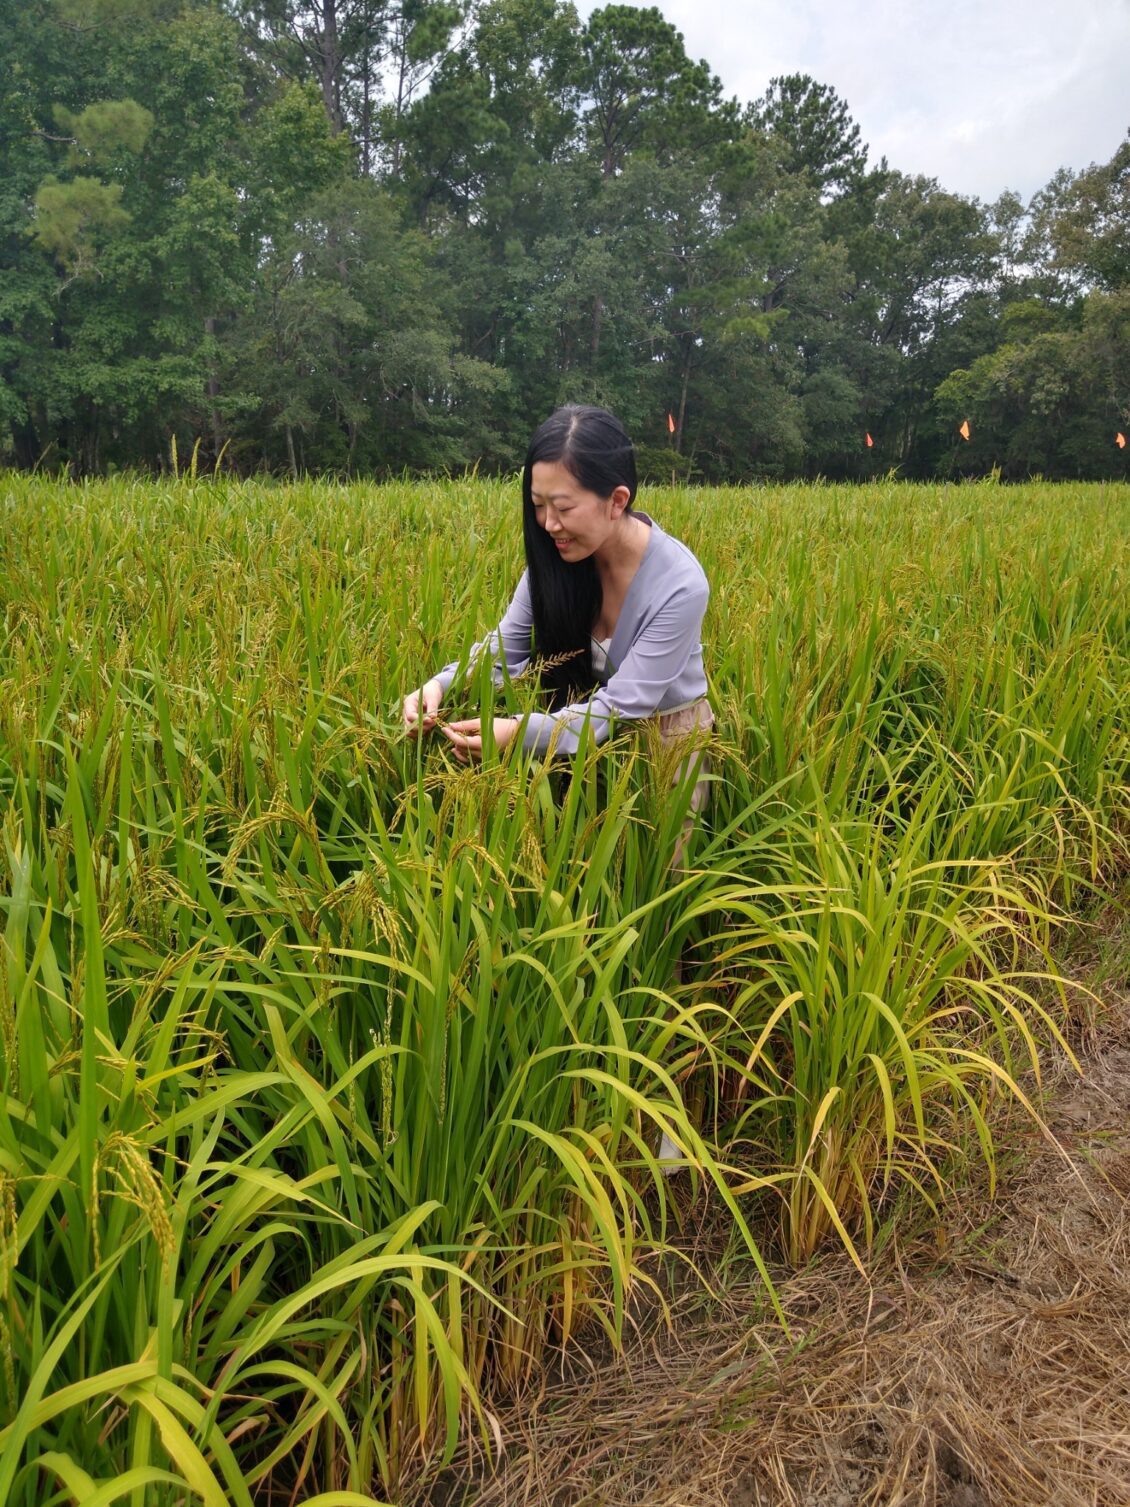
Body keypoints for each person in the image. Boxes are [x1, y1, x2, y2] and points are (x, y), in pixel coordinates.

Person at [403, 404, 714, 859]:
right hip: (569, 727)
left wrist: (515, 733)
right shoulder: (555, 562)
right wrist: (439, 685)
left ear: (617, 500)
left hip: (666, 740)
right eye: (538, 506)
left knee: (660, 878)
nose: (549, 525)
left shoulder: (681, 586)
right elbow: (504, 648)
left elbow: (619, 707)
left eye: (563, 508)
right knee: (575, 869)